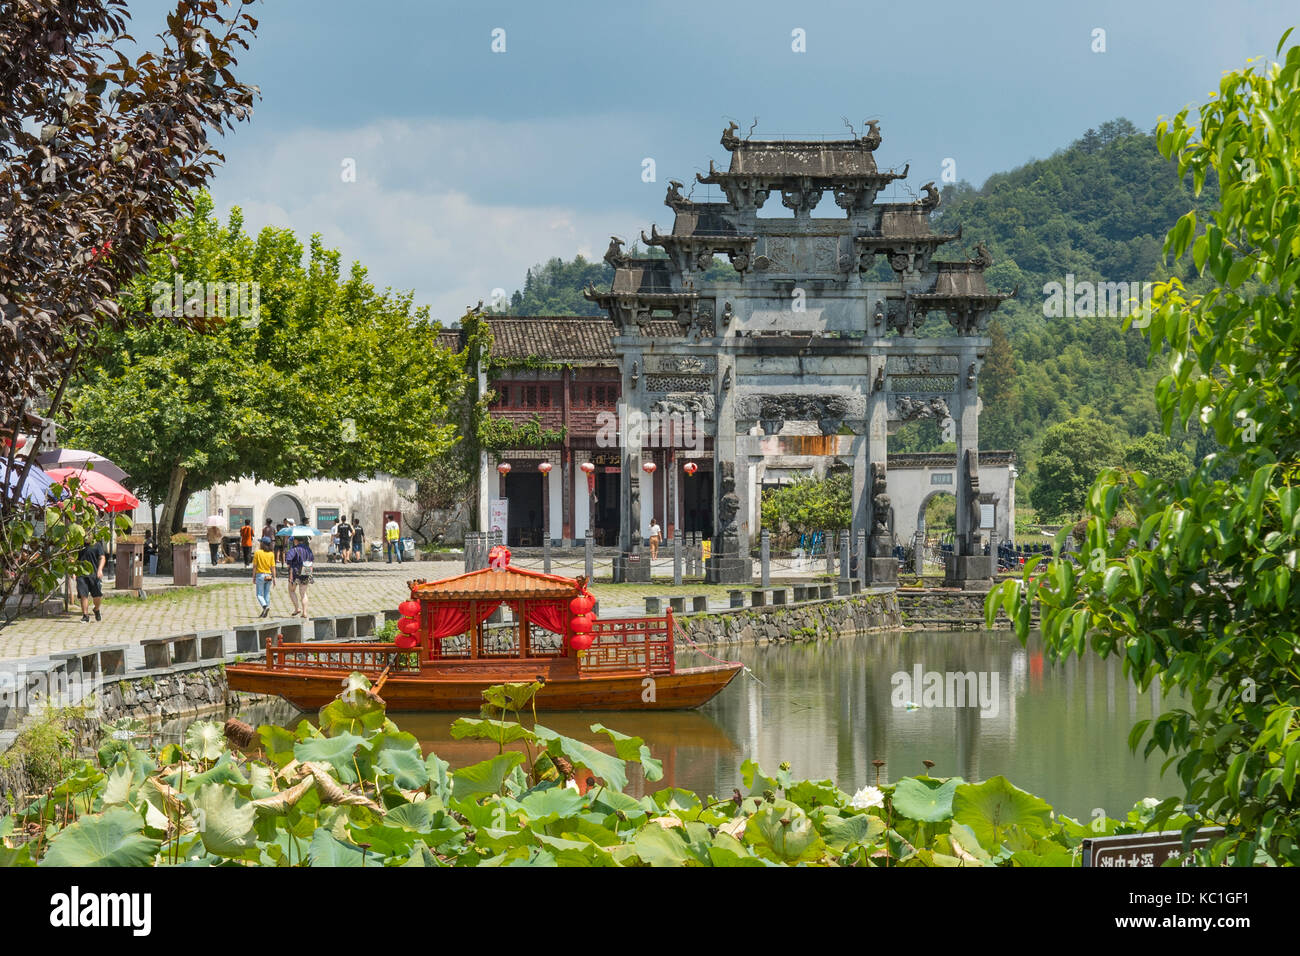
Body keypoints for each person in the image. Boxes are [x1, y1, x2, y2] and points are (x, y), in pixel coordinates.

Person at [76, 536, 106, 623]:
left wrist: (100, 570)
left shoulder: (97, 545)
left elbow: (102, 558)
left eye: (88, 534)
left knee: (97, 596)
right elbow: (72, 558)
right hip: (81, 574)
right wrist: (73, 572)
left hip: (94, 574)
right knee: (83, 595)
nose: (86, 537)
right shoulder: (79, 545)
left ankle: (96, 609)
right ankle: (85, 615)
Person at [285, 535, 315, 618]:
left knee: (291, 591)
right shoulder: (308, 549)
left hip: (295, 573)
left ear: (296, 540)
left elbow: (288, 563)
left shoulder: (293, 550)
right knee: (303, 593)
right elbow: (312, 560)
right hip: (306, 571)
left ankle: (297, 608)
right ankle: (305, 612)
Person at [252, 535, 276, 618]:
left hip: (260, 575)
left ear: (262, 544)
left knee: (259, 594)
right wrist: (274, 578)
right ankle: (266, 609)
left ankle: (265, 606)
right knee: (267, 593)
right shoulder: (271, 554)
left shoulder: (258, 553)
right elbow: (273, 567)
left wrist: (253, 577)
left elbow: (255, 566)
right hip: (269, 575)